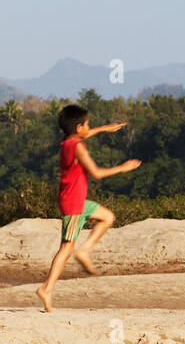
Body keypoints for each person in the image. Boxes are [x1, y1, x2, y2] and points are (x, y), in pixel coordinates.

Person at [35, 105, 141, 312]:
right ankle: (46, 289)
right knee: (66, 248)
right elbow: (97, 173)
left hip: (76, 200)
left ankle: (84, 250)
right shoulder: (78, 148)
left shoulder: (67, 142)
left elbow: (84, 134)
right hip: (74, 203)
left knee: (107, 217)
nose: (89, 127)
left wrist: (104, 128)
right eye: (87, 124)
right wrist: (123, 167)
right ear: (78, 127)